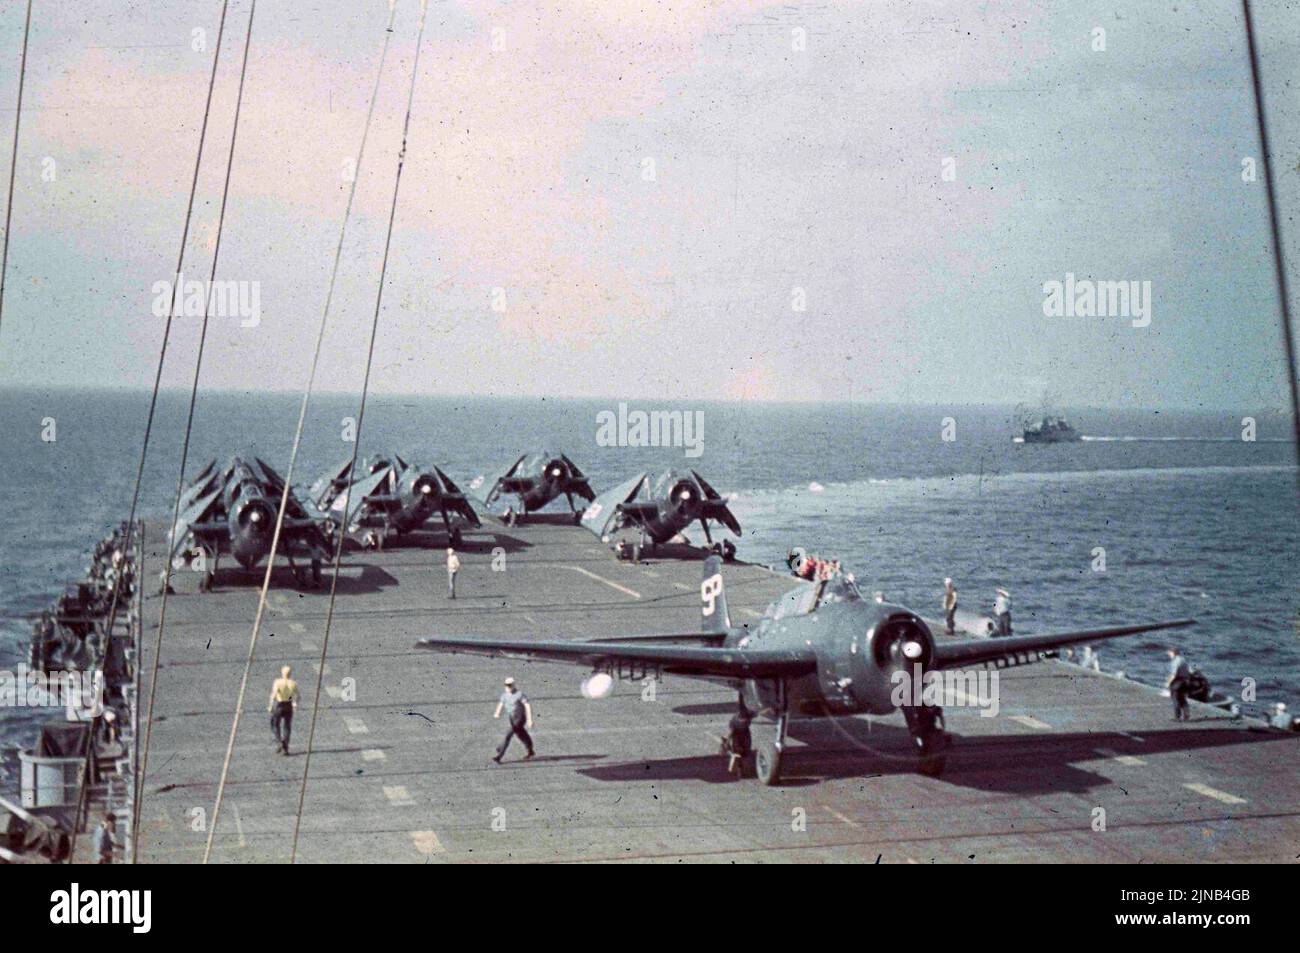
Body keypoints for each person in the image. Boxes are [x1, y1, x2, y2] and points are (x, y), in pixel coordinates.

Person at [492, 677, 534, 762]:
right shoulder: (504, 695)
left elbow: (527, 705)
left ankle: (499, 755)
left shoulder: (519, 694)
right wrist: (497, 713)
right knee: (521, 734)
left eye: (510, 685)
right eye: (507, 685)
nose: (508, 687)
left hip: (520, 718)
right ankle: (530, 750)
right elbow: (501, 704)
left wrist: (529, 720)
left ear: (514, 685)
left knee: (508, 735)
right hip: (512, 718)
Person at [267, 665, 299, 754]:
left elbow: (274, 694)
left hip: (280, 705)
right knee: (287, 726)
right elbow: (296, 696)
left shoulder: (278, 682)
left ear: (282, 673)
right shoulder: (293, 683)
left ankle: (279, 741)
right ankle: (286, 746)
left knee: (274, 724)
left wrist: (270, 706)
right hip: (288, 705)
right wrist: (294, 704)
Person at [722, 702, 752, 776]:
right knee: (737, 752)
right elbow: (730, 733)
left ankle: (744, 766)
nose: (744, 722)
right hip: (736, 735)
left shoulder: (748, 715)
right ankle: (739, 768)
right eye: (742, 721)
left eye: (745, 721)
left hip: (746, 734)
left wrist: (769, 709)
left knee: (746, 751)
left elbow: (759, 712)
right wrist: (726, 742)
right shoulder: (733, 722)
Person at [1166, 647, 1191, 721]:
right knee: (1183, 698)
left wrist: (1168, 683)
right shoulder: (1183, 660)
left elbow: (1174, 674)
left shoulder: (1175, 661)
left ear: (1173, 653)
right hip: (1185, 681)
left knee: (1175, 698)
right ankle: (1186, 715)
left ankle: (1177, 717)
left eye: (1170, 653)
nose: (1169, 655)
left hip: (1178, 682)